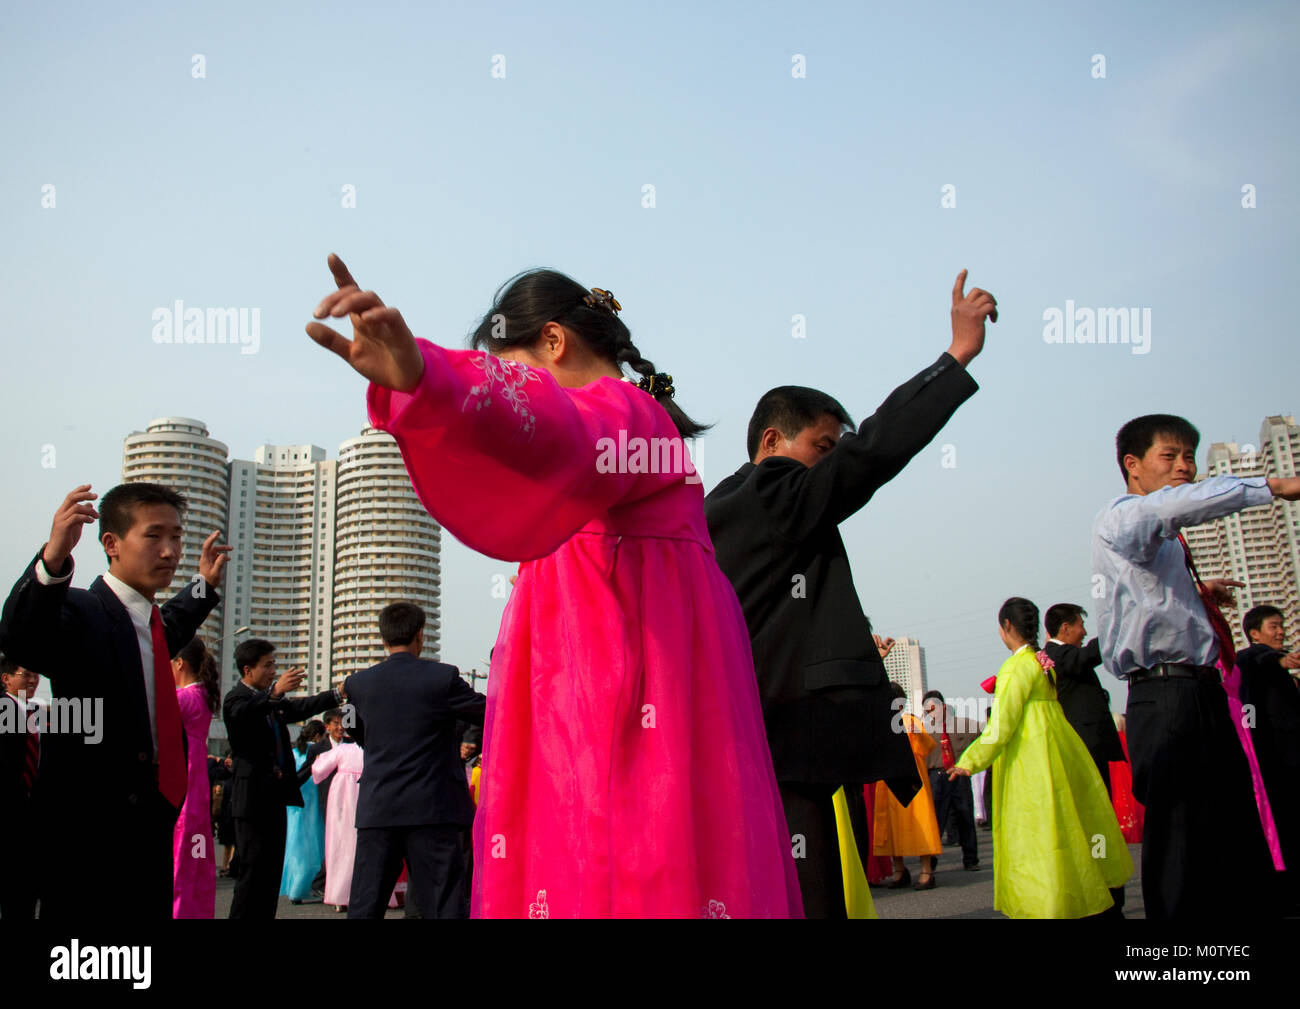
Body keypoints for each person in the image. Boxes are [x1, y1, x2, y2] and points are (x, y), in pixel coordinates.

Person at [307, 254, 800, 918]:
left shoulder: (623, 412)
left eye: (514, 369)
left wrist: (427, 377)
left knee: (628, 864)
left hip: (626, 697)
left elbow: (549, 424)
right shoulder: (631, 433)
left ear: (555, 342)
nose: (515, 386)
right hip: (614, 688)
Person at [703, 270, 996, 916]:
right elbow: (871, 455)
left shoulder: (715, 511)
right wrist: (955, 357)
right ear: (772, 442)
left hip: (754, 735)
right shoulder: (770, 491)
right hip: (792, 742)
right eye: (823, 446)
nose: (832, 460)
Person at [1090, 414, 1300, 918]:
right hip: (1166, 700)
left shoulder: (1160, 543)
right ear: (1132, 465)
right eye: (1172, 456)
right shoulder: (1123, 517)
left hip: (1202, 694)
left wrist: (1198, 592)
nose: (1186, 467)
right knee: (1180, 841)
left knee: (1230, 830)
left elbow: (1145, 599)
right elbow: (1174, 506)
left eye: (1191, 456)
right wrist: (1274, 486)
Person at [0, 483, 227, 920]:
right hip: (90, 838)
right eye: (154, 535)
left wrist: (204, 585)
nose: (170, 551)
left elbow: (173, 622)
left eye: (177, 537)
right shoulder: (82, 611)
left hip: (152, 824)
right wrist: (52, 560)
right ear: (112, 543)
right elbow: (22, 637)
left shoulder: (150, 623)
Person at [950, 598, 1132, 918]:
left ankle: (1048, 900)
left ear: (1007, 627)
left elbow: (1001, 724)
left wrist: (970, 760)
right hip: (1060, 748)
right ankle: (1088, 890)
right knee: (1070, 825)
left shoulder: (1016, 666)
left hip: (1031, 757)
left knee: (1037, 832)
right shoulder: (1040, 660)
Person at [341, 602, 486, 919]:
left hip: (378, 808)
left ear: (383, 639)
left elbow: (352, 730)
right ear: (420, 635)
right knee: (443, 903)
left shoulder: (358, 684)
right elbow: (489, 713)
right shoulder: (443, 677)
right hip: (433, 809)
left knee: (366, 903)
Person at [222, 638, 342, 918]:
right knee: (251, 874)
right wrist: (274, 693)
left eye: (274, 665)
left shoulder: (272, 703)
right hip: (251, 801)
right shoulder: (237, 699)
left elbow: (301, 708)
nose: (274, 671)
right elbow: (244, 713)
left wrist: (337, 694)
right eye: (268, 666)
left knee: (270, 874)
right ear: (247, 669)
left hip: (275, 797)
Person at [1238, 605, 1300, 912]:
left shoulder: (1277, 666)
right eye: (1273, 626)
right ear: (1254, 633)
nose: (1280, 631)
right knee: (1282, 827)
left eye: (1281, 625)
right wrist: (1280, 658)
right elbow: (1257, 656)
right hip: (1274, 762)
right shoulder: (1252, 658)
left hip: (1288, 759)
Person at [1042, 604, 1125, 793]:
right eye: (1081, 625)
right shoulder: (1056, 654)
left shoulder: (1060, 654)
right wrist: (1114, 628)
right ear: (1065, 628)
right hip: (1085, 743)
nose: (1084, 632)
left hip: (1088, 743)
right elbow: (1087, 656)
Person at [872, 683, 943, 889]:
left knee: (921, 824)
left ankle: (926, 870)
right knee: (893, 828)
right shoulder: (881, 724)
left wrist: (918, 733)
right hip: (888, 782)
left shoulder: (911, 721)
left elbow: (927, 747)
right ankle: (899, 870)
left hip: (914, 781)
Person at [172, 636, 221, 918]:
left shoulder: (181, 698)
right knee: (198, 853)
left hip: (184, 776)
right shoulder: (203, 694)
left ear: (180, 663)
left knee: (180, 854)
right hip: (198, 780)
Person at [921, 689, 980, 872]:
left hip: (959, 775)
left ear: (943, 707)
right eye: (927, 710)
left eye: (934, 708)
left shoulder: (964, 725)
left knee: (965, 817)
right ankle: (930, 862)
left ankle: (970, 860)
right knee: (936, 821)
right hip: (936, 777)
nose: (931, 712)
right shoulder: (922, 730)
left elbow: (984, 738)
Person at [1, 657, 42, 918]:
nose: (33, 681)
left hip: (30, 816)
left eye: (36, 676)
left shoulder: (34, 714)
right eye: (25, 675)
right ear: (6, 678)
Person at [303, 707, 352, 897]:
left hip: (350, 798)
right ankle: (322, 881)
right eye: (336, 724)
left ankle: (337, 884)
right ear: (327, 726)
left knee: (347, 840)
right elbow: (306, 772)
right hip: (328, 800)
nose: (341, 728)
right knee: (335, 841)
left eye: (343, 724)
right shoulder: (317, 748)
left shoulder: (351, 743)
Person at [282, 720, 326, 904]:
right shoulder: (318, 752)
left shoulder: (292, 753)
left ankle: (294, 887)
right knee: (315, 843)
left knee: (294, 843)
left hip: (293, 802)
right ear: (317, 736)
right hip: (313, 800)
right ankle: (309, 885)